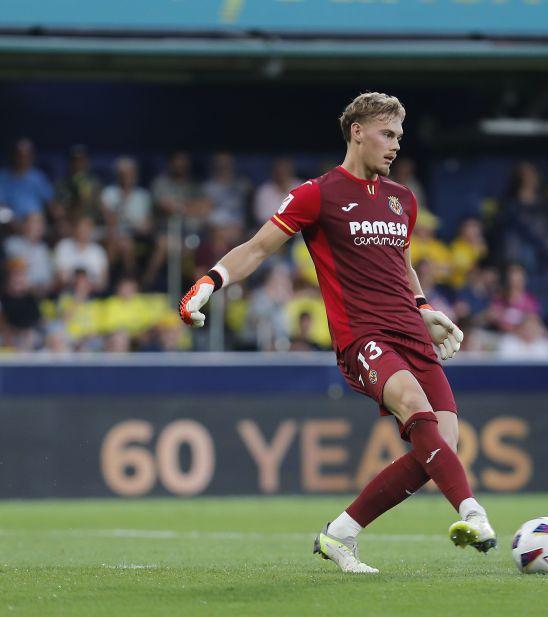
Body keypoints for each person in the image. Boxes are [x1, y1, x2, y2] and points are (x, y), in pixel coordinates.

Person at [179, 92, 495, 573]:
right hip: (362, 336)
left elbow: (401, 265)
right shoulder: (317, 194)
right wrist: (210, 281)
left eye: (399, 138)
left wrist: (425, 308)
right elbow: (258, 248)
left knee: (441, 446)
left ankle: (339, 534)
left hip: (410, 332)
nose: (395, 147)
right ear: (357, 132)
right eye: (387, 135)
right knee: (413, 404)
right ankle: (473, 514)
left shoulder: (402, 200)